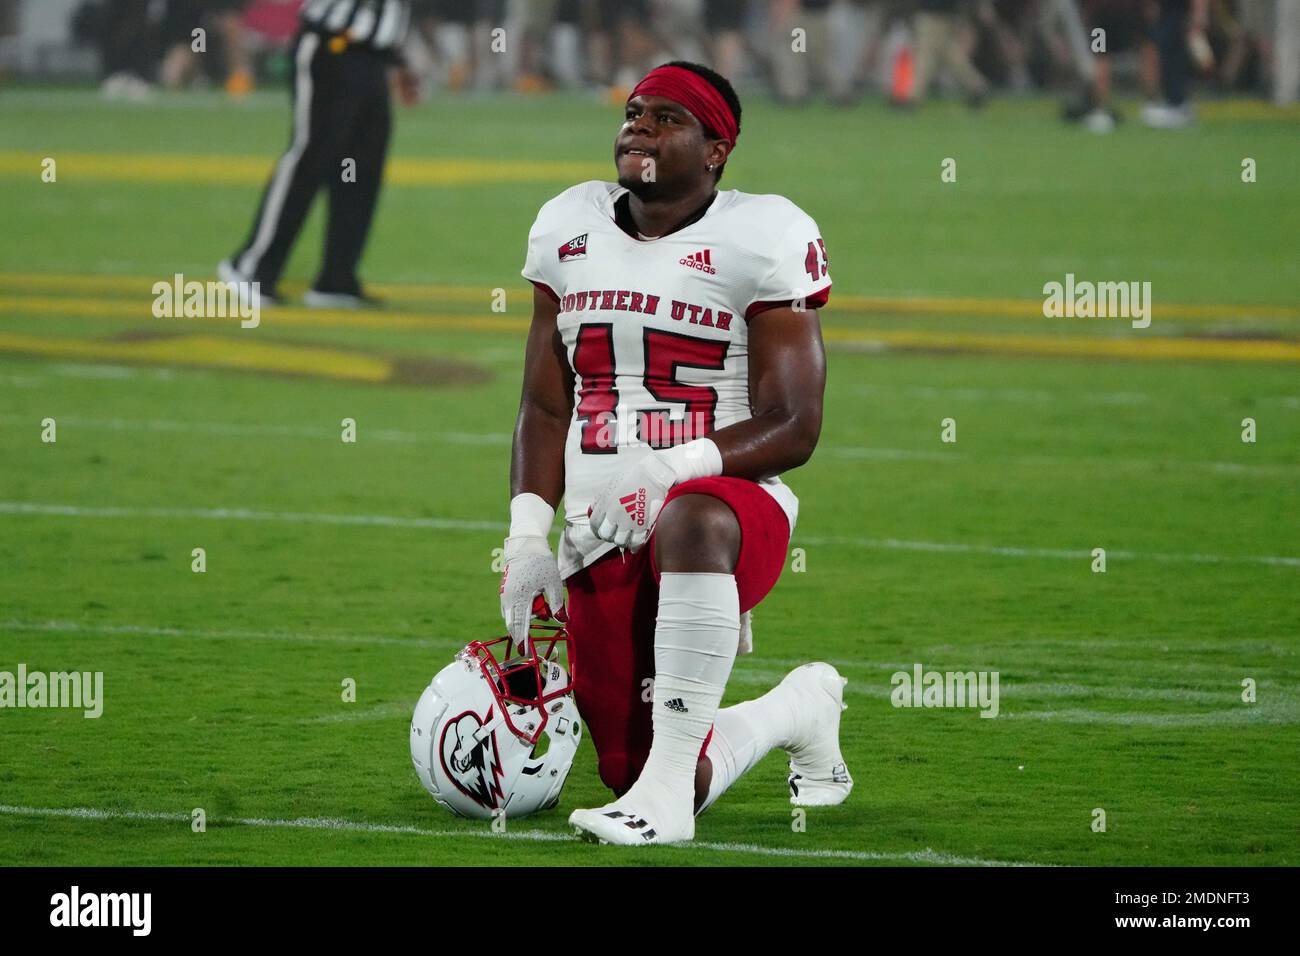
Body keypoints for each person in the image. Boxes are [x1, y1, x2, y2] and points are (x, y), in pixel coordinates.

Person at [501, 61, 852, 846]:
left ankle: (663, 803)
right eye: (634, 112)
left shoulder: (763, 234)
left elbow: (794, 423)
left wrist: (671, 468)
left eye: (667, 119)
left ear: (716, 150)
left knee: (690, 517)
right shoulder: (567, 226)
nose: (640, 127)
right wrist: (527, 537)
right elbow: (545, 404)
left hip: (725, 512)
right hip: (600, 529)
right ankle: (799, 709)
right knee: (634, 767)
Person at [219, 0, 419, 308]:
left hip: (372, 55)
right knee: (311, 156)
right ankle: (251, 266)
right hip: (331, 45)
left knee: (361, 168)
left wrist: (397, 57)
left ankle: (336, 279)